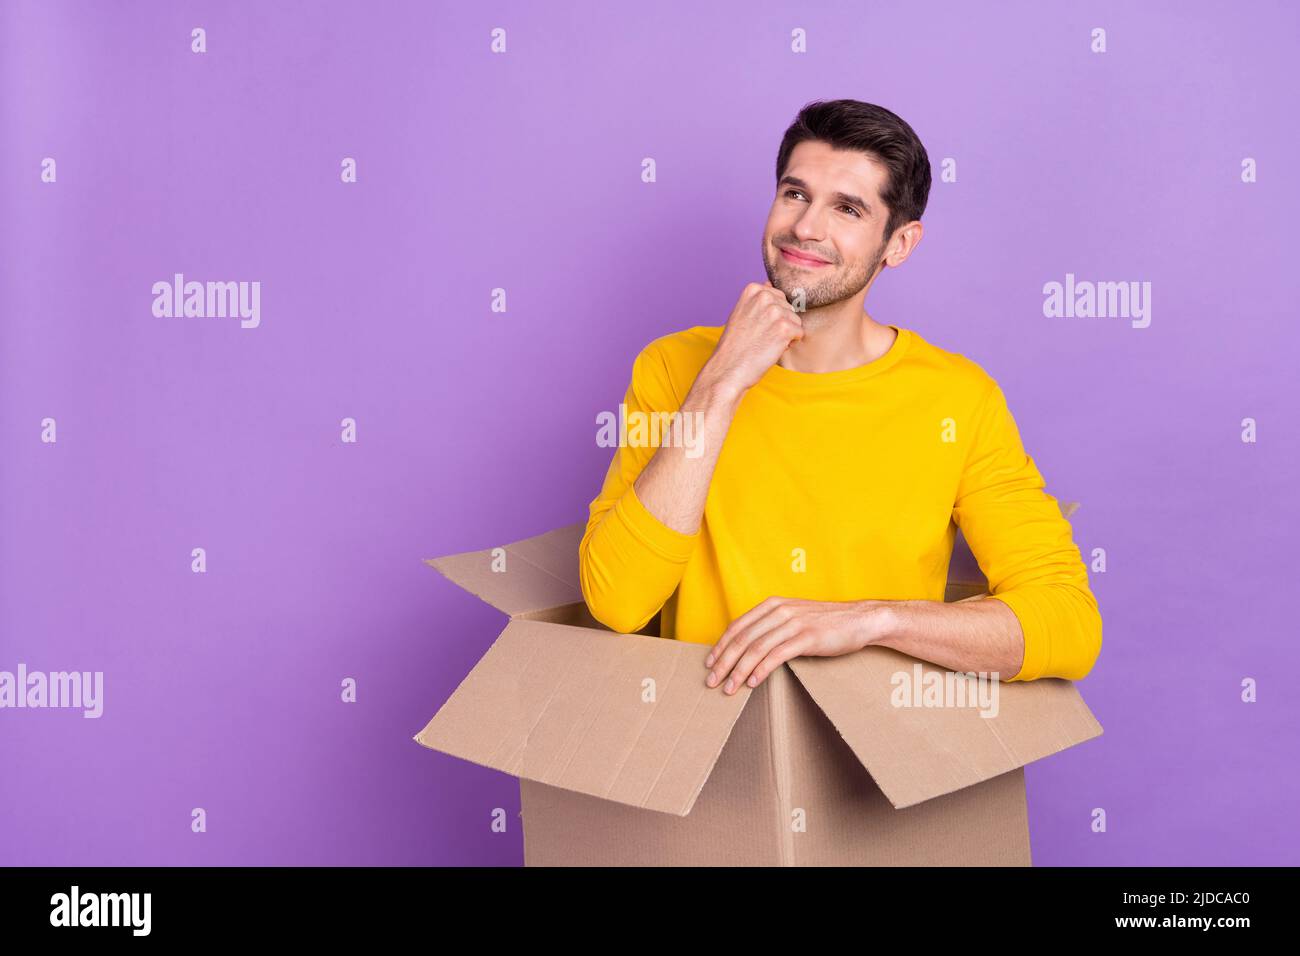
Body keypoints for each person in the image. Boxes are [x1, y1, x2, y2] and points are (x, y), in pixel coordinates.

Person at [579, 98, 1101, 694]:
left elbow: (1068, 623)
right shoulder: (677, 368)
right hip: (702, 742)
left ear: (898, 244)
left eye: (847, 208)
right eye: (794, 194)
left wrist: (872, 620)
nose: (805, 227)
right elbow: (617, 602)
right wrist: (721, 383)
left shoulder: (960, 399)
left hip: (875, 757)